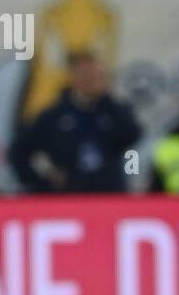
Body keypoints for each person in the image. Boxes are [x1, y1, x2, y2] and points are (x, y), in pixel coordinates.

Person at [8, 51, 141, 193]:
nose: (90, 79)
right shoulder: (53, 116)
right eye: (84, 74)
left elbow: (133, 135)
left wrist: (106, 98)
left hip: (110, 196)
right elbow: (18, 152)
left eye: (94, 74)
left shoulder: (114, 111)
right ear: (72, 77)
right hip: (69, 197)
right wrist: (42, 183)